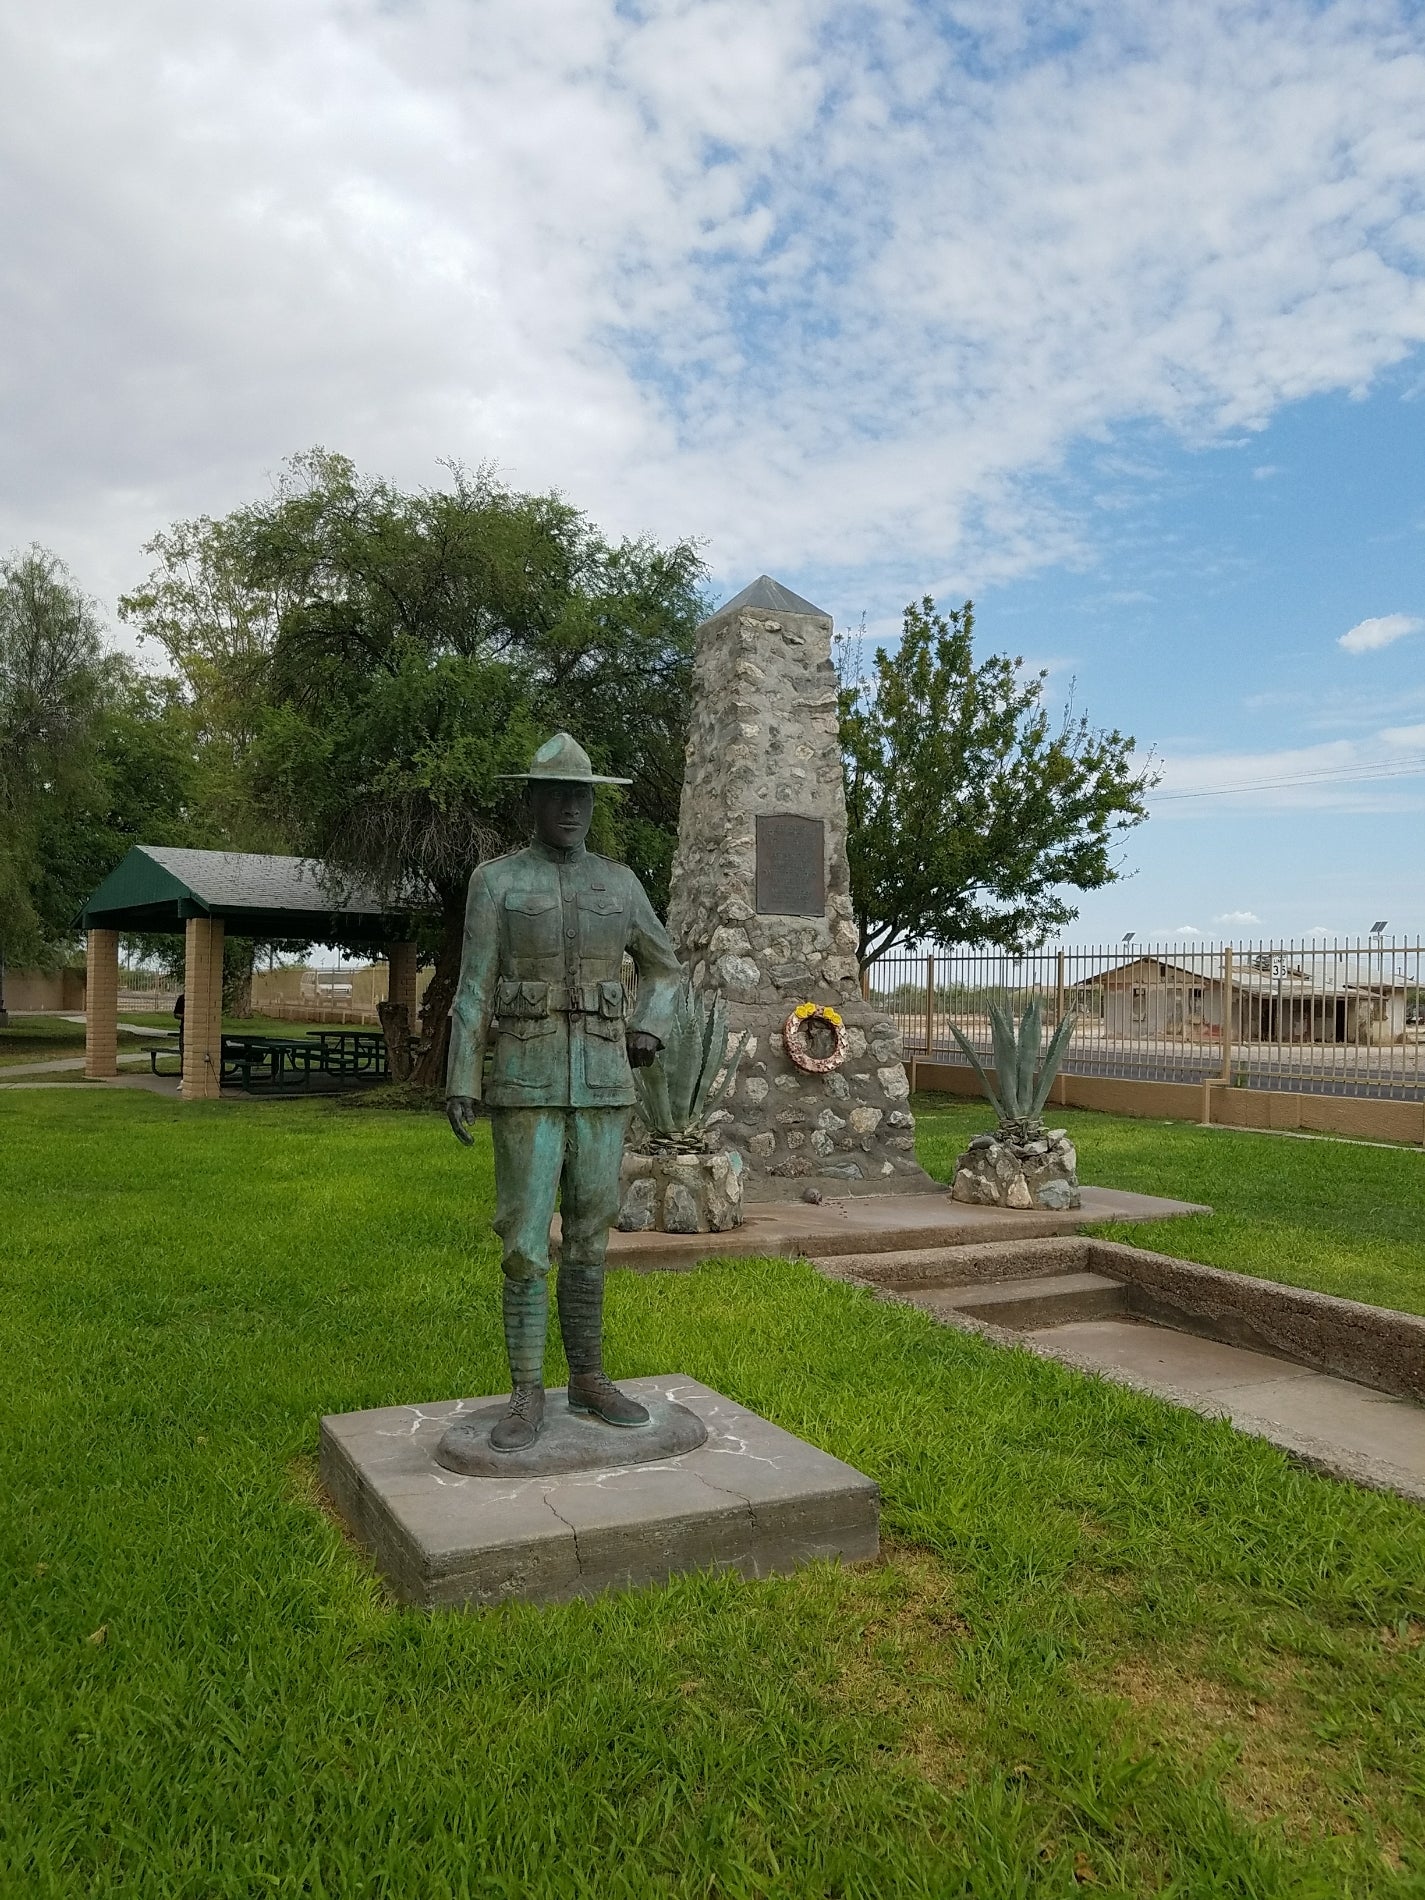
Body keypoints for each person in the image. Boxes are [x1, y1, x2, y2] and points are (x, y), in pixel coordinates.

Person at [445, 733, 683, 1451]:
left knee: (589, 1233)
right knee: (523, 1238)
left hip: (605, 1079)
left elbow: (666, 971)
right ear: (532, 803)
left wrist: (649, 1025)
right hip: (525, 1077)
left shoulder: (619, 884)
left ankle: (587, 1378)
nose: (571, 809)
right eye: (556, 796)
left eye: (581, 796)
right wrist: (461, 1079)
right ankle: (524, 1393)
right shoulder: (496, 881)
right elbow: (473, 988)